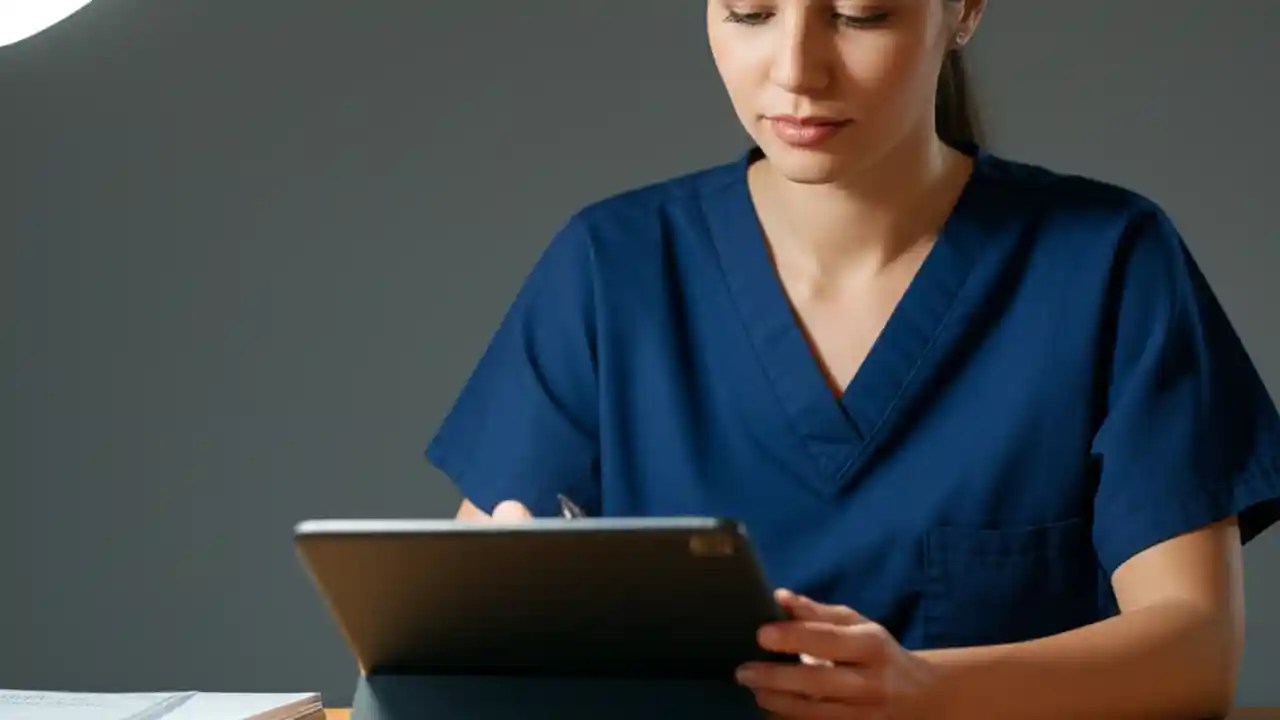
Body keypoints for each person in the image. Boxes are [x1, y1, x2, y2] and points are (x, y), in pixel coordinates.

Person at [425, 0, 1280, 717]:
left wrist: (926, 689)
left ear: (965, 10)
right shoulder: (611, 267)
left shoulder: (1107, 262)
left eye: (859, 15)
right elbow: (445, 649)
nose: (796, 68)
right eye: (751, 12)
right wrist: (506, 613)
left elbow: (1195, 652)